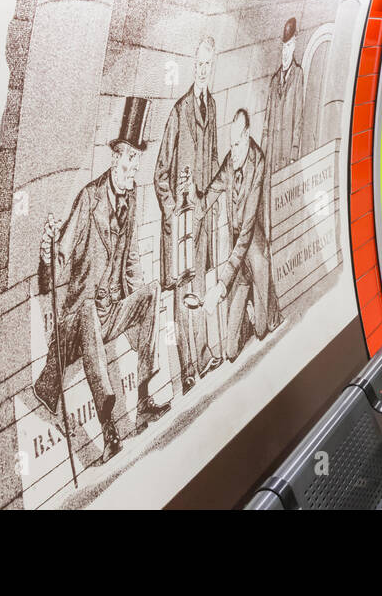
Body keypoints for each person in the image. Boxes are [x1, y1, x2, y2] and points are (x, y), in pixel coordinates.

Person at [34, 96, 170, 464]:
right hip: (79, 320)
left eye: (138, 161)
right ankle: (109, 431)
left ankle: (143, 399)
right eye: (129, 160)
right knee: (90, 314)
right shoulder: (89, 200)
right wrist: (47, 255)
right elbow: (58, 260)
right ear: (115, 158)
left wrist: (137, 292)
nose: (133, 168)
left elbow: (129, 264)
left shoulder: (132, 197)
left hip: (110, 309)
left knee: (151, 292)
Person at [154, 37, 220, 394]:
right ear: (192, 66)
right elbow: (159, 173)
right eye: (199, 65)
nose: (203, 70)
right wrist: (172, 214)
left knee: (199, 288)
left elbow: (211, 161)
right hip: (180, 224)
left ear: (213, 67)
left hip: (203, 221)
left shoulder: (213, 105)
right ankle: (189, 368)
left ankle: (205, 353)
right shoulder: (179, 112)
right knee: (183, 296)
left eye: (208, 65)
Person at [195, 108, 281, 361]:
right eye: (229, 145)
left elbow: (247, 228)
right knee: (230, 351)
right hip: (237, 240)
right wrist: (196, 205)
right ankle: (239, 337)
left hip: (251, 237)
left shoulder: (258, 162)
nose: (231, 152)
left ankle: (266, 317)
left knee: (262, 328)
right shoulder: (231, 160)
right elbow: (214, 189)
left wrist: (221, 285)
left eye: (235, 144)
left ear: (246, 137)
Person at [262, 16, 304, 173]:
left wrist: (294, 154)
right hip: (271, 156)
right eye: (284, 47)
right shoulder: (274, 81)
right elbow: (266, 126)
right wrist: (263, 156)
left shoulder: (298, 75)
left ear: (294, 46)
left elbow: (298, 119)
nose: (285, 52)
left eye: (289, 46)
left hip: (287, 156)